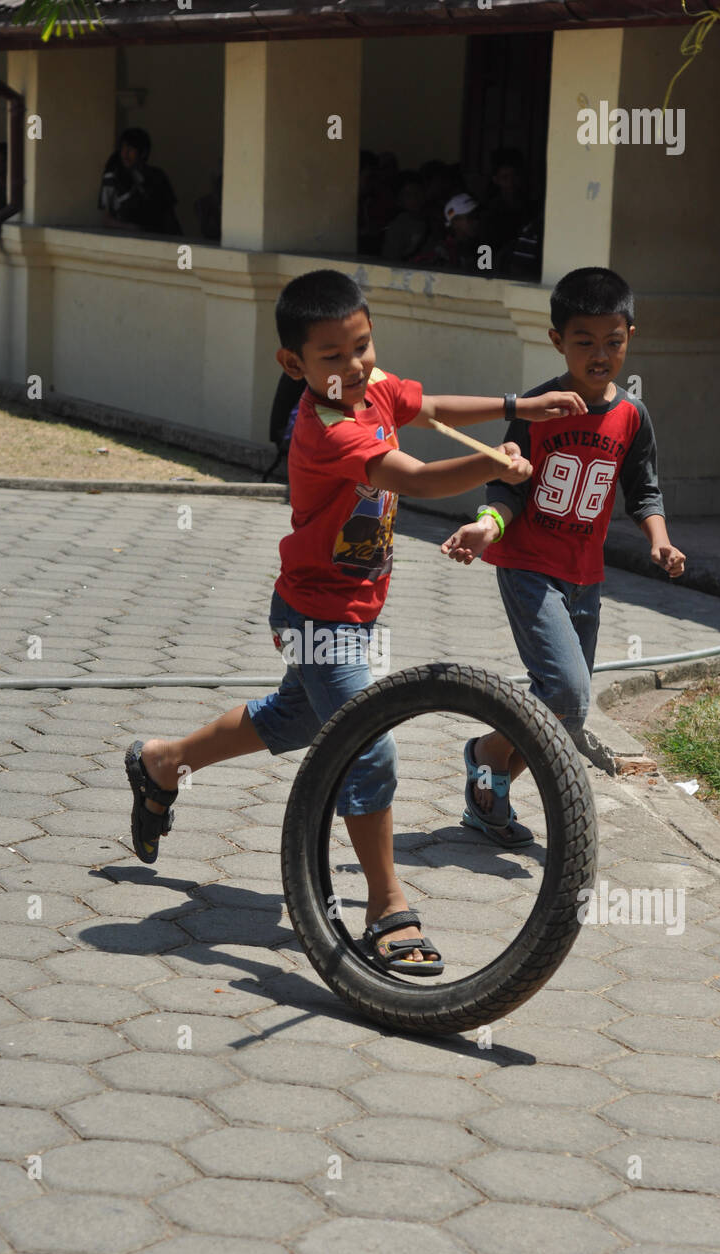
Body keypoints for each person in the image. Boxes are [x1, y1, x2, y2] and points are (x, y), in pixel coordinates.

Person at [124, 269, 584, 973]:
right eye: (332, 356)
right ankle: (386, 907)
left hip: (354, 609)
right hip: (317, 613)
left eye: (362, 346)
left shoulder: (371, 389)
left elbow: (426, 405)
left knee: (294, 719)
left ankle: (164, 762)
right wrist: (499, 467)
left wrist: (521, 404)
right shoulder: (326, 429)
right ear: (293, 364)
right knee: (368, 746)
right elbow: (415, 478)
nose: (354, 365)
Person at [441, 266, 686, 846]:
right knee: (569, 693)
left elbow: (643, 488)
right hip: (529, 568)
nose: (600, 354)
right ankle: (484, 754)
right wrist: (486, 524)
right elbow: (508, 483)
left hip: (586, 579)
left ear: (630, 336)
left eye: (613, 341)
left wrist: (660, 539)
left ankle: (488, 777)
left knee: (567, 711)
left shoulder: (632, 415)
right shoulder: (536, 407)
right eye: (584, 342)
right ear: (557, 340)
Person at [98, 128, 181, 235]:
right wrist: (131, 227)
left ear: (143, 152)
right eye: (123, 147)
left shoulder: (157, 176)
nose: (125, 153)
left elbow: (169, 216)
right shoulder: (113, 177)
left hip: (157, 238)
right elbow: (106, 219)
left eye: (130, 148)